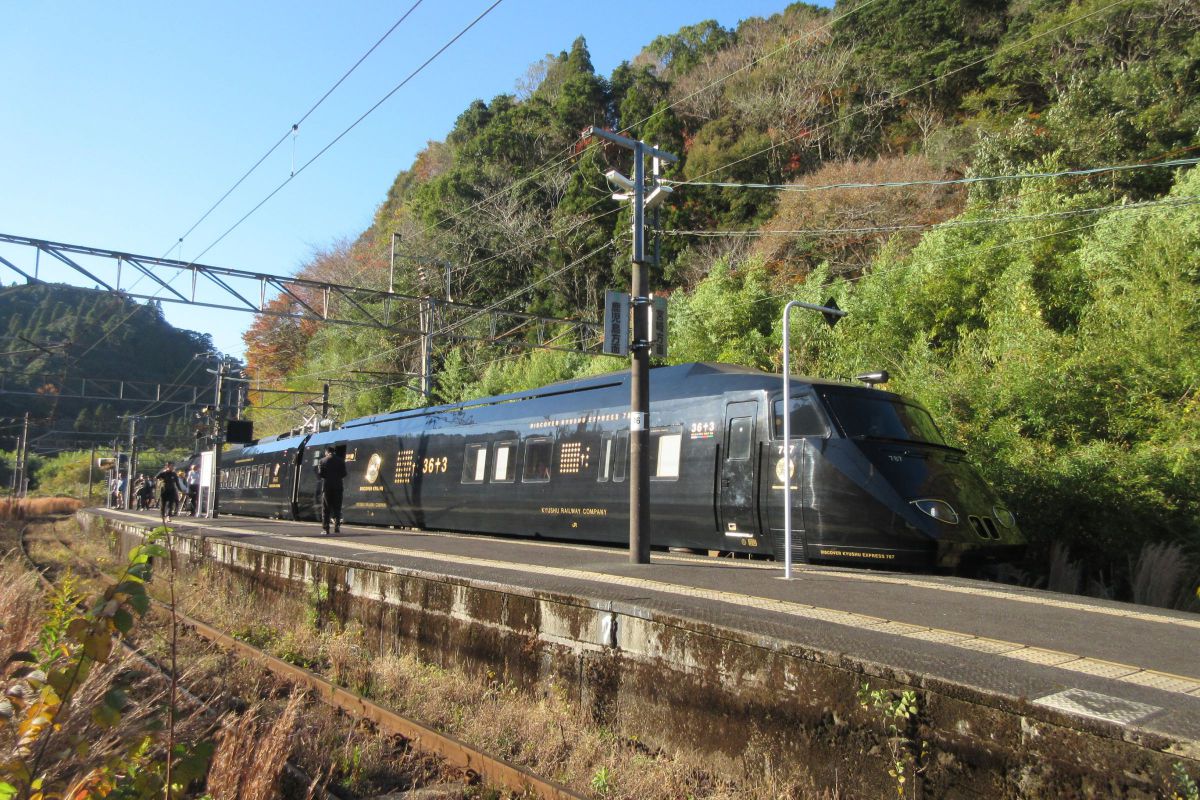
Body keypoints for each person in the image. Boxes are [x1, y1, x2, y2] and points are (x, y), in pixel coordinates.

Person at [315, 446, 346, 535]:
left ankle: (326, 529)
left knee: (326, 508)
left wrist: (328, 477)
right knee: (337, 507)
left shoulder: (322, 461)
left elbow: (320, 474)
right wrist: (336, 478)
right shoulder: (341, 460)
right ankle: (337, 527)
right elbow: (344, 473)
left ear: (326, 452)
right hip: (338, 487)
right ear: (334, 452)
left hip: (327, 486)